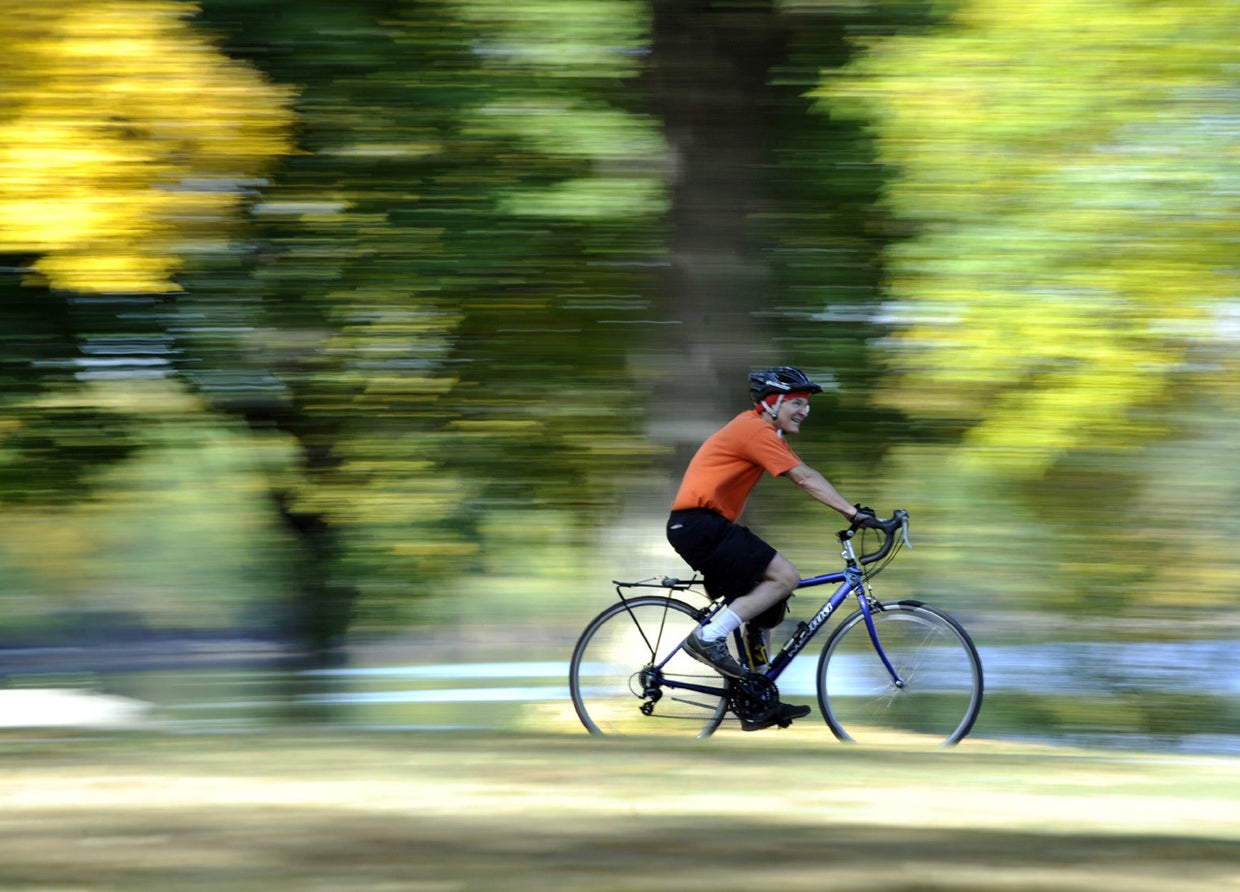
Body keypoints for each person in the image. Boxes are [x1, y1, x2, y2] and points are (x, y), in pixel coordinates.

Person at [666, 366, 872, 731]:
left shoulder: (763, 431)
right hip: (699, 525)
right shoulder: (754, 429)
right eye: (796, 402)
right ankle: (707, 638)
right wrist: (854, 514)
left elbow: (805, 473)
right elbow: (804, 477)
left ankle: (757, 695)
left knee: (765, 601)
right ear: (771, 403)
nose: (805, 411)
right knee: (785, 576)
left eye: (806, 405)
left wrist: (853, 512)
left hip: (705, 526)